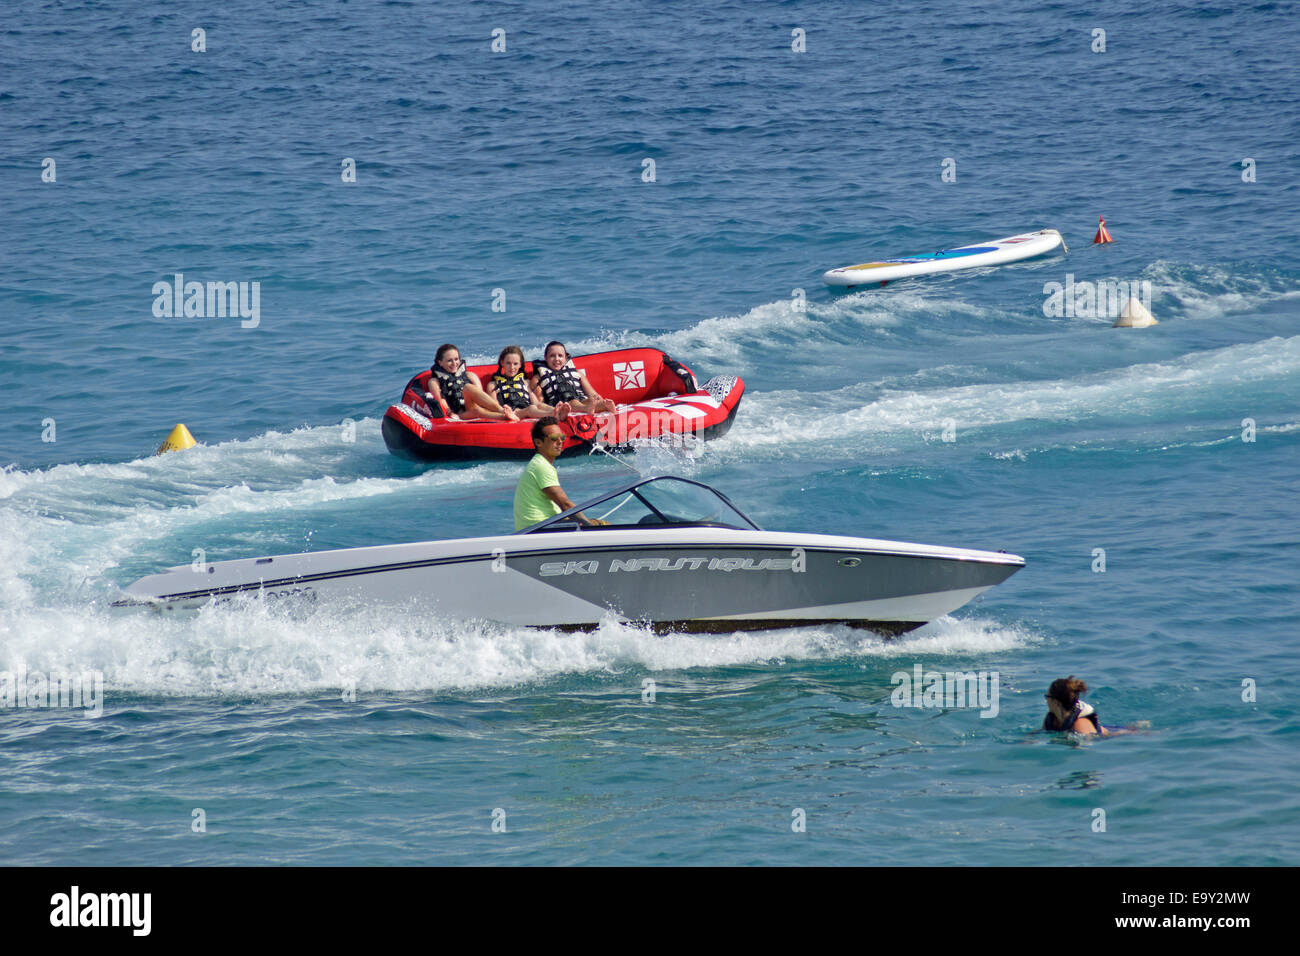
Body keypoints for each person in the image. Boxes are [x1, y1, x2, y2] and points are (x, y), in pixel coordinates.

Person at [513, 416, 607, 530]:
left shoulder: (540, 463)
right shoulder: (541, 466)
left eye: (562, 437)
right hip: (537, 530)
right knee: (600, 525)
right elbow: (566, 505)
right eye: (553, 438)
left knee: (596, 522)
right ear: (538, 442)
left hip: (540, 526)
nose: (560, 442)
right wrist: (591, 527)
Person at [427, 344, 520, 422]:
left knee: (468, 388)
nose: (454, 363)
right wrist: (450, 413)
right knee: (476, 410)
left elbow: (480, 395)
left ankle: (503, 411)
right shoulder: (434, 381)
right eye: (449, 360)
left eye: (456, 359)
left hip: (473, 407)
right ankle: (505, 416)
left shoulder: (470, 375)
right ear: (440, 362)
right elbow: (440, 401)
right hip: (459, 414)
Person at [485, 345, 571, 421]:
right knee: (531, 408)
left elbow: (536, 403)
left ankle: (558, 410)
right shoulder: (493, 385)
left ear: (520, 365)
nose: (512, 367)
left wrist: (547, 407)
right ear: (502, 362)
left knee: (540, 406)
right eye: (508, 363)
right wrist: (506, 412)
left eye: (515, 364)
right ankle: (553, 414)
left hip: (526, 408)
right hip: (511, 412)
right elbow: (494, 407)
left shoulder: (525, 382)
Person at [530, 341, 617, 415]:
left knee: (591, 400)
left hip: (581, 399)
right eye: (552, 356)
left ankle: (604, 407)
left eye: (560, 356)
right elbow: (540, 401)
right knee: (572, 401)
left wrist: (600, 401)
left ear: (565, 358)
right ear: (545, 358)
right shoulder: (538, 378)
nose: (556, 359)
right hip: (560, 404)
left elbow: (592, 394)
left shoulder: (577, 373)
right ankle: (586, 409)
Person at [1042, 676, 1109, 736]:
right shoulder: (1053, 719)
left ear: (1056, 702)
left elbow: (1088, 743)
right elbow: (1041, 733)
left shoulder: (1080, 723)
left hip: (1112, 736)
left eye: (1047, 697)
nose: (1046, 700)